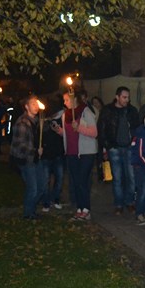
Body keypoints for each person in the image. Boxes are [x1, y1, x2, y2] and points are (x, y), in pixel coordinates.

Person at [98, 87, 139, 215]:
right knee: (117, 178)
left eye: (128, 97)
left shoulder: (132, 111)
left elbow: (136, 128)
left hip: (129, 147)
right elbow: (102, 128)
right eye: (124, 97)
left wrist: (135, 143)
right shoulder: (108, 110)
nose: (127, 100)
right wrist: (107, 146)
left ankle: (130, 202)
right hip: (114, 147)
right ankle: (119, 204)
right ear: (117, 97)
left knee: (131, 177)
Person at [61, 91, 98, 222]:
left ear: (74, 99)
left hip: (85, 153)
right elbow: (68, 133)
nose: (64, 102)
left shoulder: (85, 112)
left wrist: (80, 128)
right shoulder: (65, 115)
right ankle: (79, 208)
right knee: (76, 182)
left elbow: (94, 132)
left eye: (66, 99)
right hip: (71, 152)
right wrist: (59, 131)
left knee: (83, 181)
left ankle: (86, 210)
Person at [9, 95, 45, 220]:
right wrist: (36, 151)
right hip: (25, 160)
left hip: (35, 158)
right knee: (33, 188)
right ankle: (28, 214)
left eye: (36, 104)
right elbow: (19, 145)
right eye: (33, 104)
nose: (36, 107)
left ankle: (31, 210)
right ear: (26, 106)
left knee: (41, 187)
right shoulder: (22, 123)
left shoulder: (36, 120)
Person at [39, 103, 66, 212]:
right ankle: (46, 202)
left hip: (58, 154)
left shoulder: (62, 119)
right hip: (46, 155)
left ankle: (56, 199)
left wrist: (59, 131)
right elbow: (40, 134)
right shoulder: (43, 121)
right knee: (46, 180)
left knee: (59, 179)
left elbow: (65, 135)